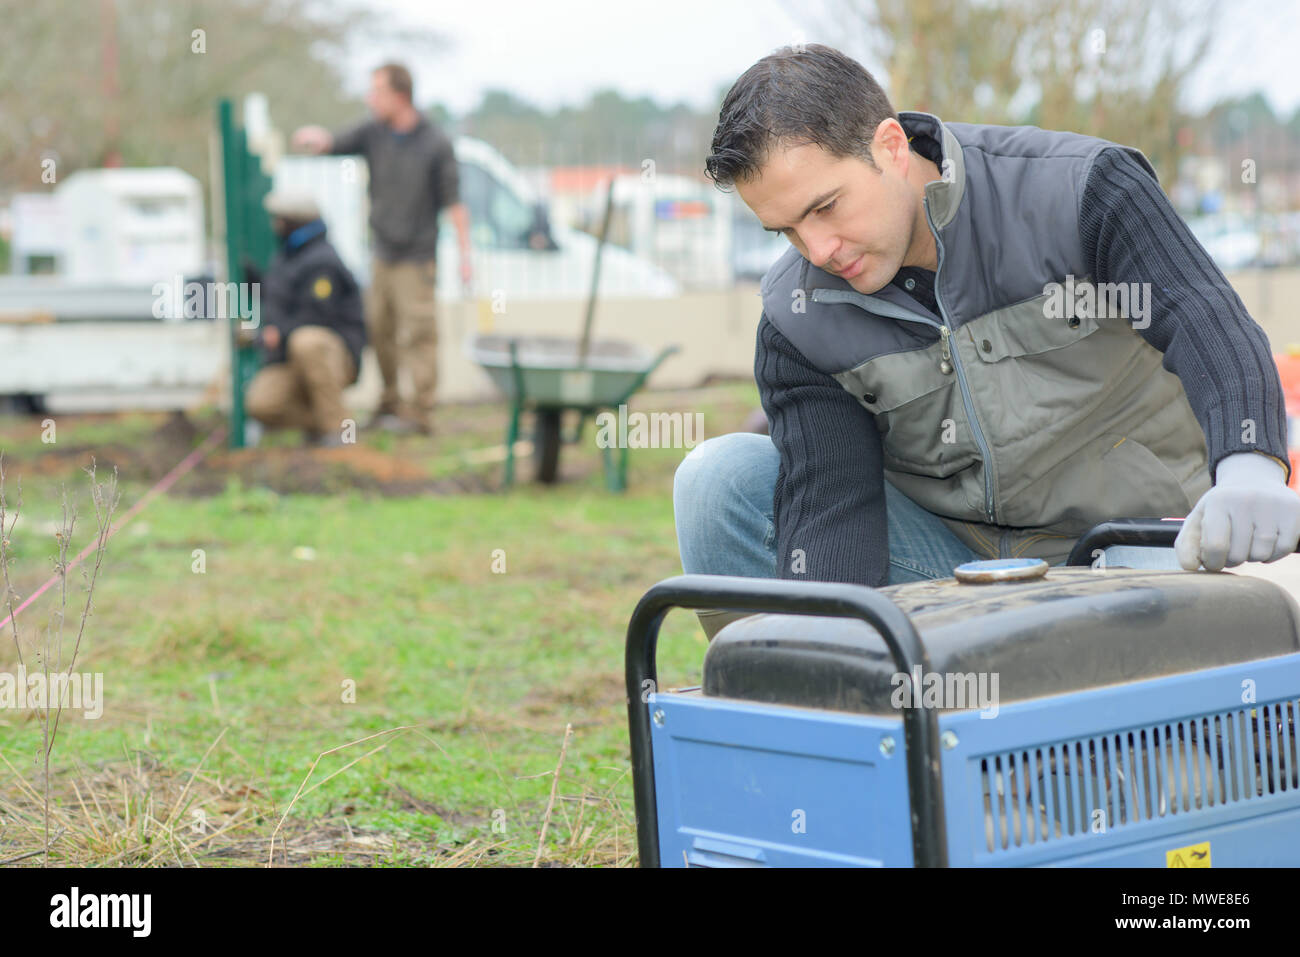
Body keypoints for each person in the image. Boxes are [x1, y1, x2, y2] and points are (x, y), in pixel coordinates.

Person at [674, 44, 1300, 636]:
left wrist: (1250, 472)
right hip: (954, 573)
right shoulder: (798, 315)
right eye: (786, 230)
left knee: (1180, 718)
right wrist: (837, 666)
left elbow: (1207, 321)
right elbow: (836, 512)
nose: (819, 251)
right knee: (719, 480)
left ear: (890, 146)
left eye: (826, 207)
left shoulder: (1082, 190)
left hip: (1136, 551)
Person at [292, 62, 472, 436]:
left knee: (418, 335)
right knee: (381, 331)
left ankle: (420, 413)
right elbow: (335, 143)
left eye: (377, 92)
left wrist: (466, 258)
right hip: (382, 255)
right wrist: (316, 138)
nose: (370, 99)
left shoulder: (435, 142)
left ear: (400, 95)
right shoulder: (374, 133)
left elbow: (454, 202)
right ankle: (389, 402)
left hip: (417, 258)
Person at [244, 190, 366, 448]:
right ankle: (321, 423)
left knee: (306, 340)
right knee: (262, 404)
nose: (275, 226)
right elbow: (282, 299)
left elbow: (317, 314)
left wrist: (278, 333)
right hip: (293, 358)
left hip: (332, 355)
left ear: (294, 223)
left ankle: (342, 434)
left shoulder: (323, 261)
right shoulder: (287, 257)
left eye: (280, 220)